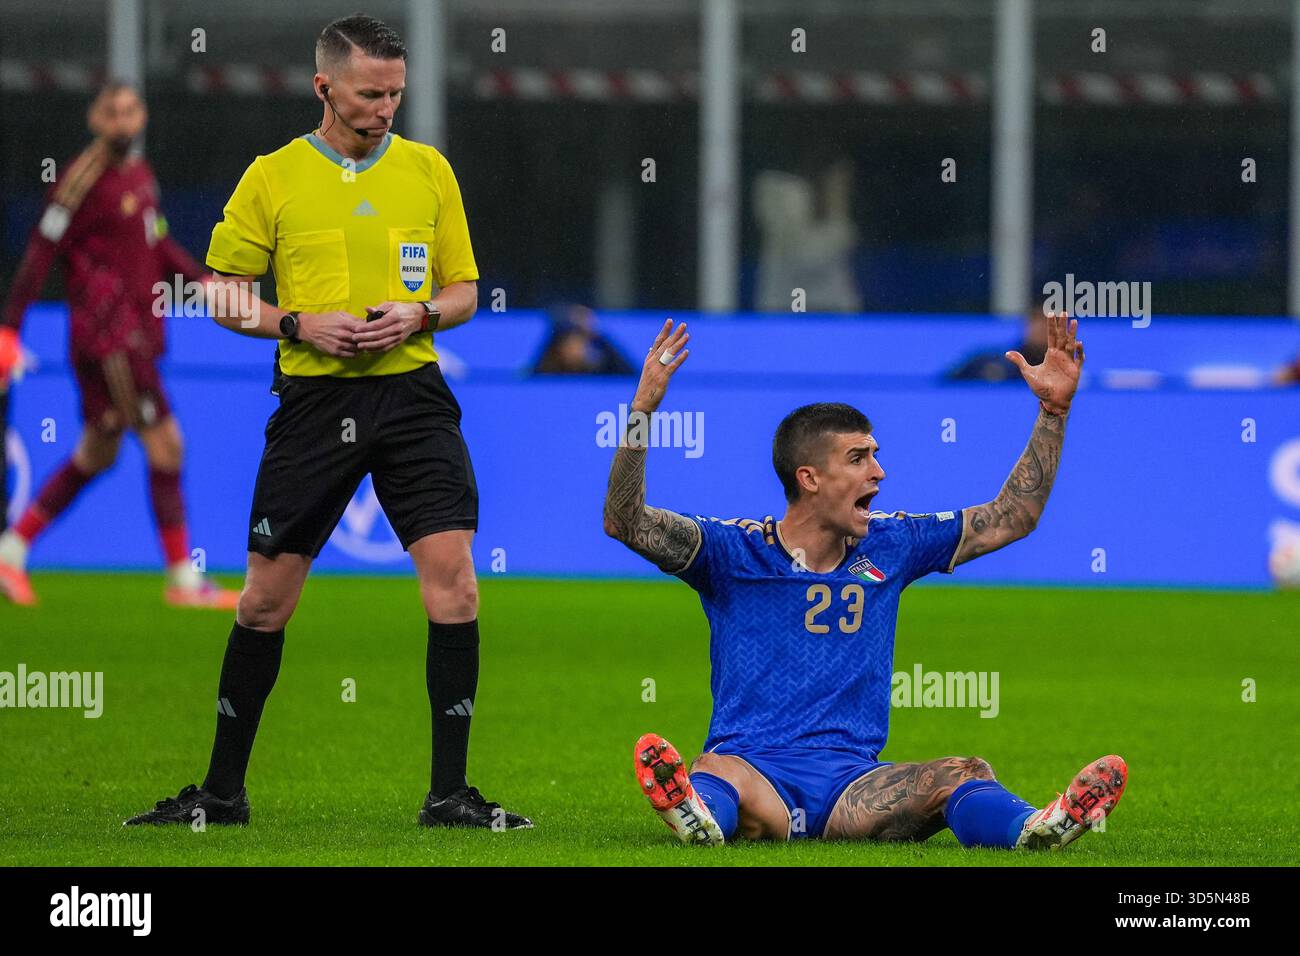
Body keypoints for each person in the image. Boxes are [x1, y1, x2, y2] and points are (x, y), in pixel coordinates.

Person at [125, 14, 529, 830]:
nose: (385, 108)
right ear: (324, 88)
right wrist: (294, 324)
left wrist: (419, 315)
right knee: (265, 602)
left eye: (396, 94)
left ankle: (449, 794)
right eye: (370, 93)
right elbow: (218, 289)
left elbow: (464, 291)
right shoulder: (272, 177)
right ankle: (222, 795)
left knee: (455, 584)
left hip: (413, 399)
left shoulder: (428, 172)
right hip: (314, 402)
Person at [604, 313, 1127, 848]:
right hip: (754, 771)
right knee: (720, 771)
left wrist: (1053, 410)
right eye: (859, 458)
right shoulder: (732, 551)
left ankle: (1033, 829)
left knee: (962, 772)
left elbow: (1014, 516)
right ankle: (700, 816)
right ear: (810, 478)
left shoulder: (891, 544)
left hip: (852, 785)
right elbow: (625, 520)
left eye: (875, 456)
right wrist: (643, 410)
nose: (878, 472)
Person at [0, 82, 239, 608]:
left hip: (136, 333)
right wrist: (10, 330)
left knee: (99, 450)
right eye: (113, 112)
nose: (123, 122)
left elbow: (155, 242)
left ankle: (11, 551)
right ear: (94, 118)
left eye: (131, 111)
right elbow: (40, 250)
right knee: (166, 443)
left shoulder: (140, 174)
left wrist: (200, 282)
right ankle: (183, 581)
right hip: (110, 337)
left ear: (143, 116)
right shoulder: (79, 180)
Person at [945, 310, 1049, 382]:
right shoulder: (994, 362)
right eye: (1035, 322)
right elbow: (947, 382)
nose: (1039, 329)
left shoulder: (1062, 368)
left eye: (1046, 325)